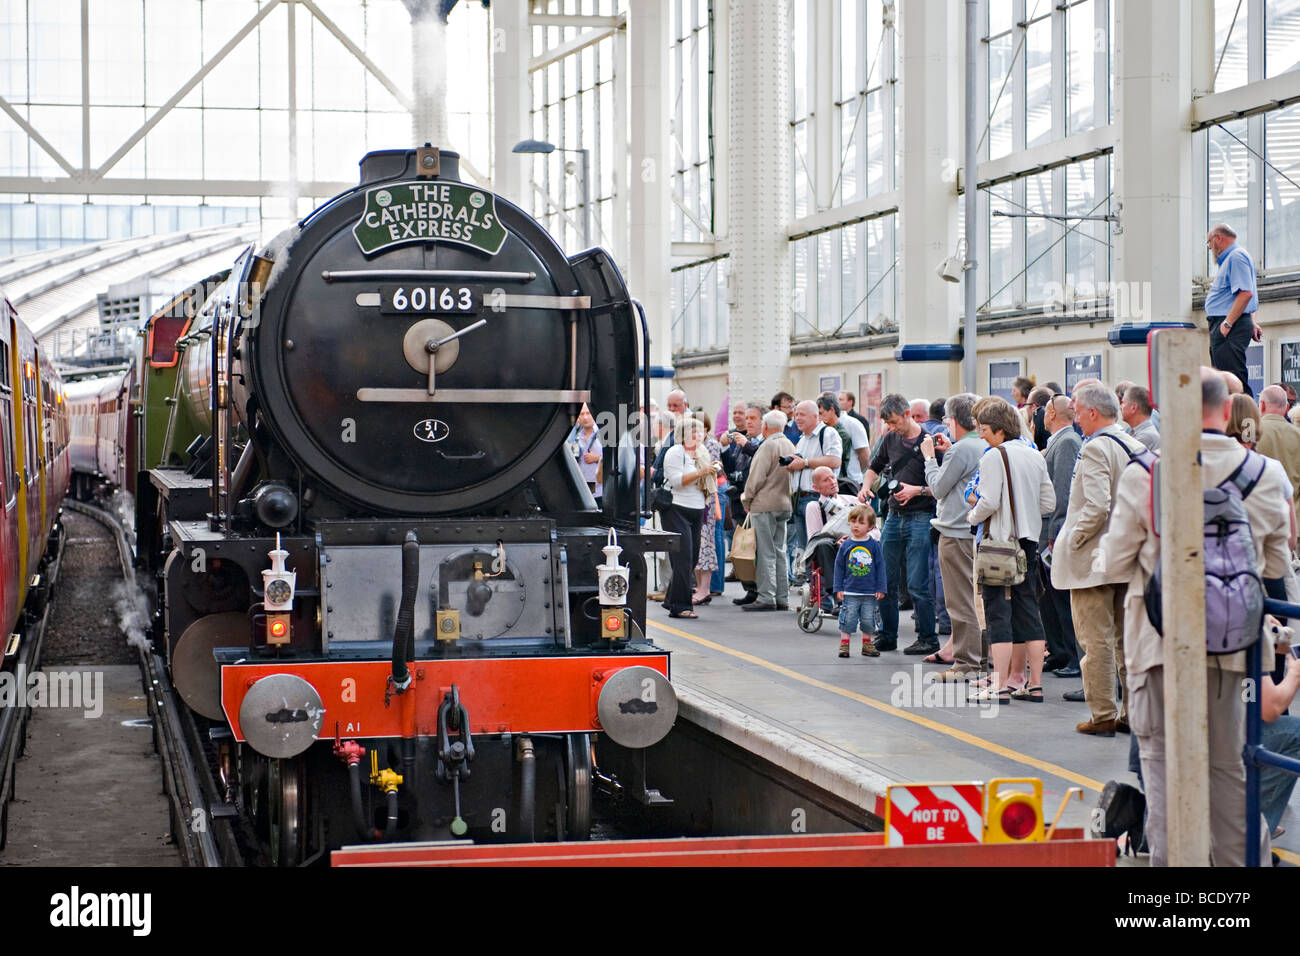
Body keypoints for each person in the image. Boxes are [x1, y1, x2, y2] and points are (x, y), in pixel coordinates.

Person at [1102, 367, 1289, 866]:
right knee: (1231, 772)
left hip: (1157, 645)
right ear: (1228, 411)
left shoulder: (1145, 473)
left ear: (1173, 409)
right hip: (1235, 650)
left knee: (1162, 774)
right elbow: (1274, 567)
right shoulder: (1265, 474)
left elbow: (1115, 562)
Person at [1051, 383, 1145, 734]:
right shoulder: (1134, 444)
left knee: (1096, 640)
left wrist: (1073, 541)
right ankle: (1132, 713)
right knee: (1127, 641)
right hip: (1127, 556)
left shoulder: (1096, 449)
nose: (1075, 418)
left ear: (1092, 412)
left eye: (1077, 412)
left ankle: (1102, 713)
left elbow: (1096, 505)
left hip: (1094, 559)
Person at [965, 398, 1055, 703]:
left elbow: (987, 501)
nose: (982, 435)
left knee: (997, 613)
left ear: (1001, 430)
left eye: (985, 429)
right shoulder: (1034, 456)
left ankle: (1000, 685)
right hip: (1029, 543)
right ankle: (1035, 684)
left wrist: (972, 516)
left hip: (998, 545)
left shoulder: (994, 456)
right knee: (1029, 611)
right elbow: (1048, 504)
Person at [858, 393, 938, 654]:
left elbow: (942, 485)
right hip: (894, 515)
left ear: (907, 415)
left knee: (917, 582)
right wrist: (866, 487)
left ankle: (928, 637)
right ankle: (888, 635)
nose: (891, 428)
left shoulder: (931, 442)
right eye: (887, 424)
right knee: (885, 579)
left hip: (921, 516)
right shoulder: (890, 439)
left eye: (894, 422)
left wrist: (917, 490)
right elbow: (875, 466)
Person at [922, 393, 986, 680]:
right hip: (976, 532)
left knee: (959, 601)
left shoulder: (960, 450)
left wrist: (929, 459)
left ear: (953, 420)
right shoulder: (982, 445)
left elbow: (938, 487)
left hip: (955, 531)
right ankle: (979, 657)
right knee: (977, 599)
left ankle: (966, 663)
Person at [1039, 395, 1084, 678]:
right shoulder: (1057, 441)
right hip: (1045, 529)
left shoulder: (1067, 442)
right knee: (1049, 598)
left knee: (1061, 598)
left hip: (1053, 531)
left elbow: (1063, 491)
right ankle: (1058, 651)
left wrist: (1056, 532)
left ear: (1052, 412)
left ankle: (1071, 656)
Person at [660, 417, 719, 619]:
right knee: (684, 557)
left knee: (691, 557)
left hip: (696, 508)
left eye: (700, 432)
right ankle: (680, 606)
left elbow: (708, 481)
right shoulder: (675, 452)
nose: (697, 436)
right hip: (676, 508)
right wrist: (702, 472)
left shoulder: (702, 453)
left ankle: (671, 598)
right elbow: (677, 481)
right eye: (693, 432)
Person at [740, 410, 797, 611]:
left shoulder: (767, 446)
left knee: (765, 552)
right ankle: (782, 597)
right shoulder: (790, 444)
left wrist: (746, 499)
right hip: (784, 503)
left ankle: (766, 596)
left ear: (765, 427)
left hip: (764, 505)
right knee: (780, 551)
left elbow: (756, 477)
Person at [787, 399, 844, 578]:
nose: (797, 418)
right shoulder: (802, 439)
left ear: (816, 416)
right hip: (799, 498)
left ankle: (825, 593)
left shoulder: (828, 433)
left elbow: (835, 460)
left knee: (820, 547)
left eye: (802, 414)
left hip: (817, 499)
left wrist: (803, 463)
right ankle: (812, 591)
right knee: (805, 548)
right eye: (796, 414)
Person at [1206, 223, 1261, 397]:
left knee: (1232, 381)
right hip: (1229, 323)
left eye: (1209, 243)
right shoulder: (1235, 258)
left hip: (1229, 325)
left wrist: (1227, 323)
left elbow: (1246, 293)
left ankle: (1243, 420)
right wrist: (1250, 321)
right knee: (1224, 380)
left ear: (1218, 238)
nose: (1210, 248)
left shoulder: (1236, 257)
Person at [834, 506, 887, 659]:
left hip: (869, 592)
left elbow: (881, 567)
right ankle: (845, 643)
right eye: (853, 521)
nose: (856, 525)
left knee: (868, 620)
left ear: (870, 527)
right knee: (848, 618)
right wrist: (838, 587)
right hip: (850, 591)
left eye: (861, 523)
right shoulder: (845, 545)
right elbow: (839, 568)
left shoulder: (874, 545)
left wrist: (881, 587)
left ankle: (867, 643)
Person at [804, 465, 860, 607]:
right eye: (826, 480)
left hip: (856, 545)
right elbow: (815, 537)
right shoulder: (814, 506)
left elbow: (873, 529)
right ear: (816, 488)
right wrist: (837, 541)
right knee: (823, 544)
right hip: (830, 550)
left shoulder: (853, 501)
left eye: (833, 478)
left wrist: (852, 538)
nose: (832, 482)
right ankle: (839, 599)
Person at [692, 411, 724, 605]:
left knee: (707, 542)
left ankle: (705, 588)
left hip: (707, 498)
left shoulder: (710, 445)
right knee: (698, 542)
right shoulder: (692, 446)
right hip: (696, 498)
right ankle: (700, 587)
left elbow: (715, 469)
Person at [1256, 385, 1300, 515]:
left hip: (1261, 519)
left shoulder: (1249, 432)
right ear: (1287, 408)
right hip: (1295, 519)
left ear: (1262, 405)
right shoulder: (1297, 434)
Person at [819, 393, 869, 489]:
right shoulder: (823, 427)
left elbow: (864, 455)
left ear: (832, 410)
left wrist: (857, 475)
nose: (819, 416)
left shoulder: (852, 424)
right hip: (832, 483)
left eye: (821, 413)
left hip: (851, 482)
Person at [566, 404, 603, 498]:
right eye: (582, 414)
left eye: (588, 413)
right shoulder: (575, 435)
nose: (585, 417)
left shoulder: (604, 434)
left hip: (600, 491)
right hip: (581, 492)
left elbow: (616, 458)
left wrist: (598, 457)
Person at [1121, 386, 1159, 452]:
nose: (1120, 407)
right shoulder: (1136, 431)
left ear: (1133, 407)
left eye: (1123, 402)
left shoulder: (1146, 437)